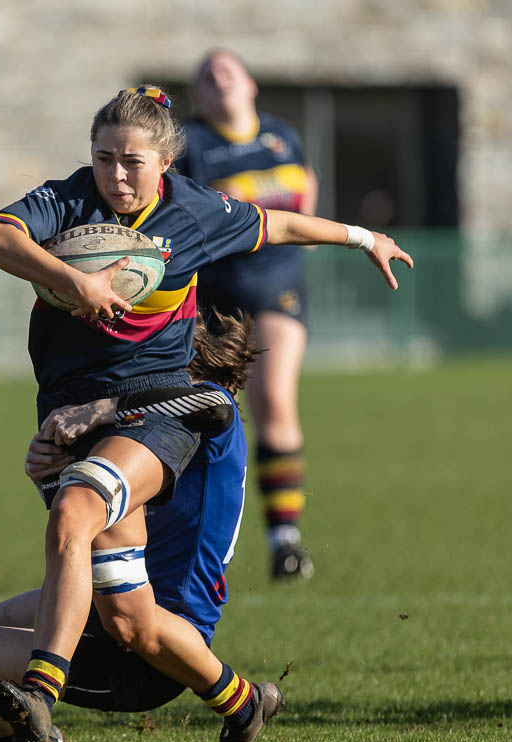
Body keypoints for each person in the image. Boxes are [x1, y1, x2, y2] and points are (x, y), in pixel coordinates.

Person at [0, 85, 412, 742]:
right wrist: (73, 277)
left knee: (76, 513)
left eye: (133, 161)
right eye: (104, 157)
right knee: (116, 620)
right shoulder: (65, 201)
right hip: (74, 414)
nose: (117, 175)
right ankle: (240, 703)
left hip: (155, 409)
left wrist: (363, 237)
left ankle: (39, 693)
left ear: (168, 162)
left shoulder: (194, 212)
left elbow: (281, 224)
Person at [0, 311, 284, 742]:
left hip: (153, 645)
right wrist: (46, 472)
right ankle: (12, 727)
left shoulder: (205, 407)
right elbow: (82, 519)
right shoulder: (149, 434)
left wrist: (106, 407)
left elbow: (212, 403)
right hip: (117, 603)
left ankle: (19, 735)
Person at [176, 49, 319, 581]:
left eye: (228, 72)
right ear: (201, 96)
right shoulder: (191, 145)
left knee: (275, 397)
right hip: (215, 299)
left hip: (280, 286)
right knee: (206, 418)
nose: (219, 82)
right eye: (207, 78)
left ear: (251, 83)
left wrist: (303, 237)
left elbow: (306, 181)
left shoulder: (283, 134)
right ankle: (192, 540)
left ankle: (285, 540)